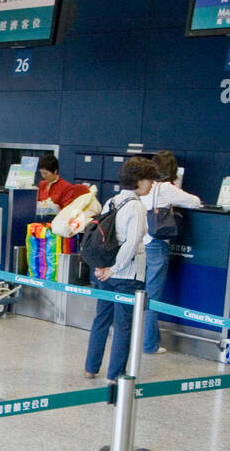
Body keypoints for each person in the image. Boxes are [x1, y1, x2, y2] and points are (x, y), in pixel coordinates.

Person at [83, 156, 155, 381]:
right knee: (124, 325)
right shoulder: (137, 207)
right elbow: (132, 244)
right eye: (149, 180)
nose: (151, 184)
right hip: (126, 274)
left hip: (104, 272)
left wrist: (102, 267)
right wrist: (114, 269)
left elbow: (102, 238)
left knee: (101, 318)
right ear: (139, 181)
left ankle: (90, 368)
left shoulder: (112, 201)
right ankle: (114, 375)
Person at [138, 152, 201, 354]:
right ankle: (149, 344)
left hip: (139, 245)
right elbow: (195, 201)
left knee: (139, 294)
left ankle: (141, 339)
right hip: (156, 246)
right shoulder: (165, 188)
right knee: (152, 297)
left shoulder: (142, 186)